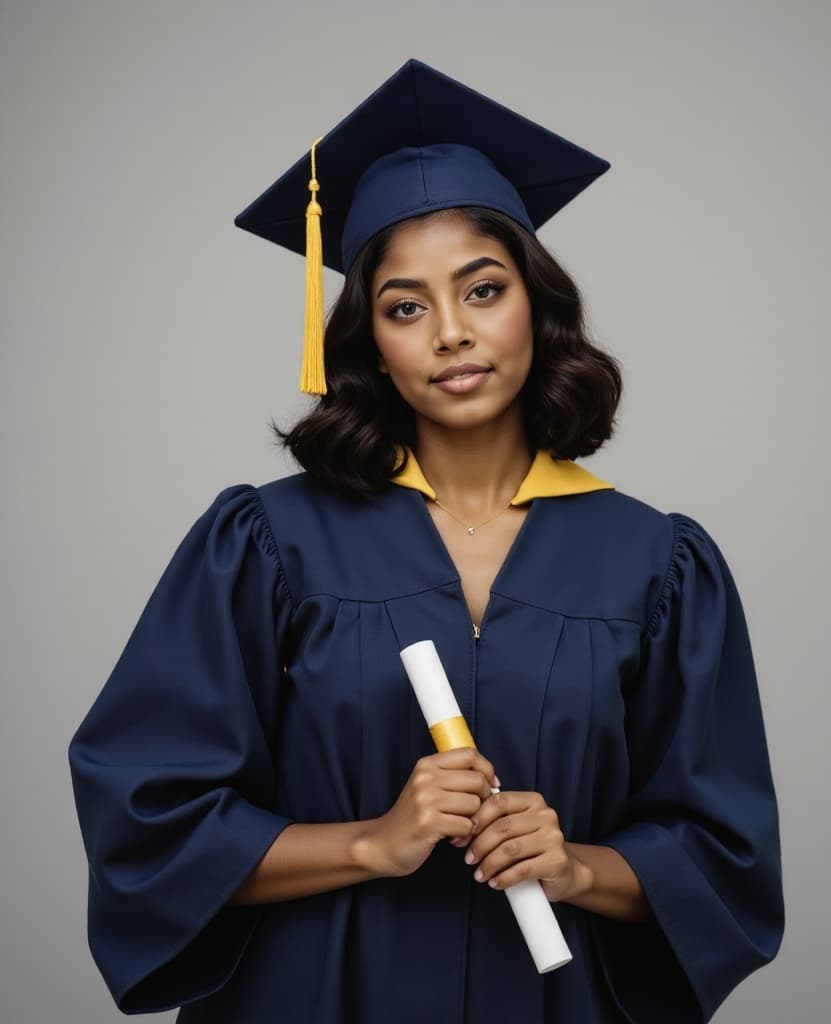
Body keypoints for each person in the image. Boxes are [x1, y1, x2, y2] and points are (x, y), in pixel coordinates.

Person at [68, 58, 784, 1023]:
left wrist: (574, 865)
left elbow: (719, 856)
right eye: (407, 307)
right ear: (370, 343)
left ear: (537, 304)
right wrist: (374, 842)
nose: (451, 332)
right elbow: (149, 820)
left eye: (482, 290)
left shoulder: (656, 564)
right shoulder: (269, 545)